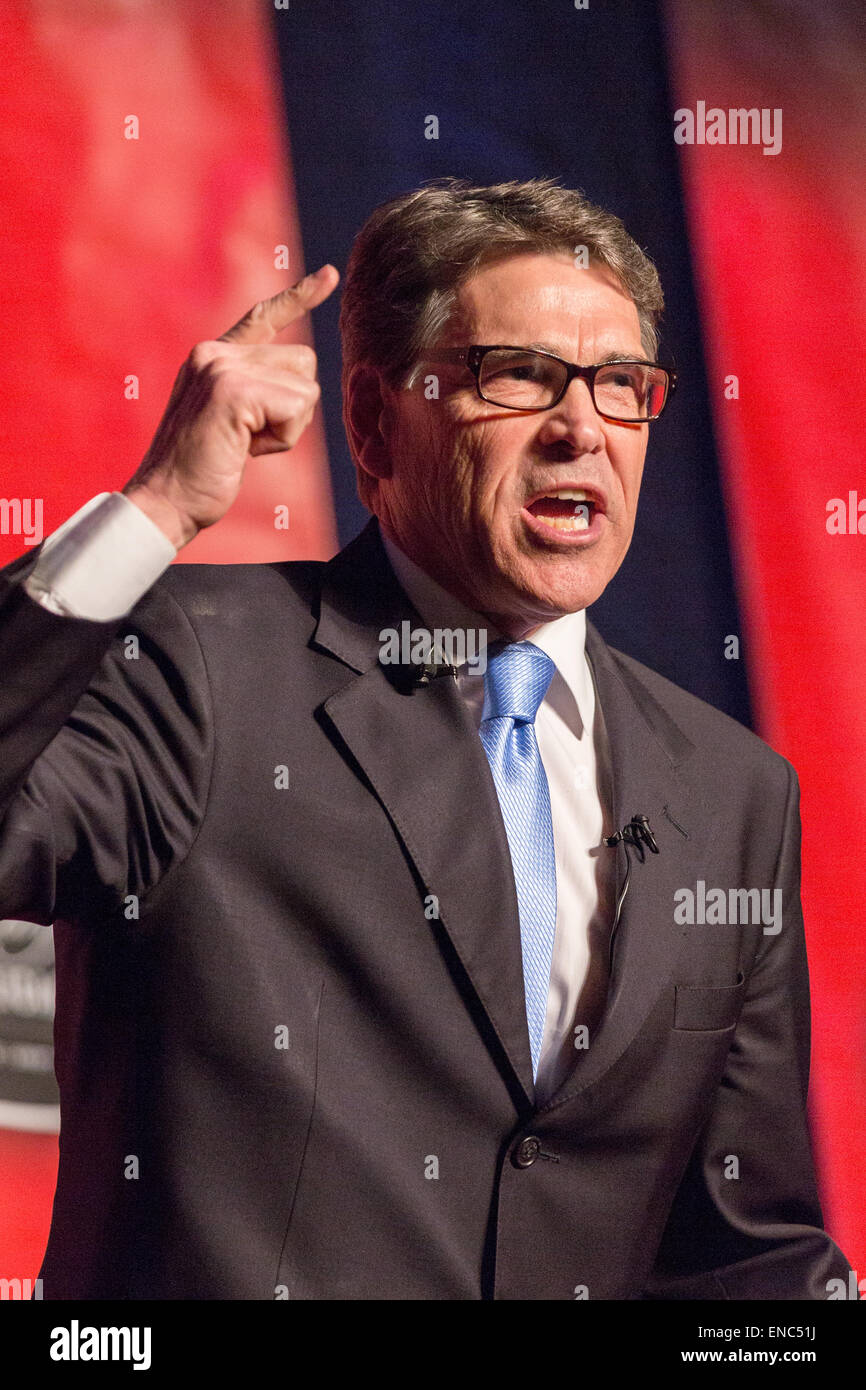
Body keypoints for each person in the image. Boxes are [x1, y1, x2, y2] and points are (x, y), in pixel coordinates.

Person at [0, 177, 853, 1299]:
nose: (579, 429)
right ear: (372, 421)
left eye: (619, 386)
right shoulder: (197, 666)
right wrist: (157, 506)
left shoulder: (733, 792)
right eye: (519, 376)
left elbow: (739, 1252)